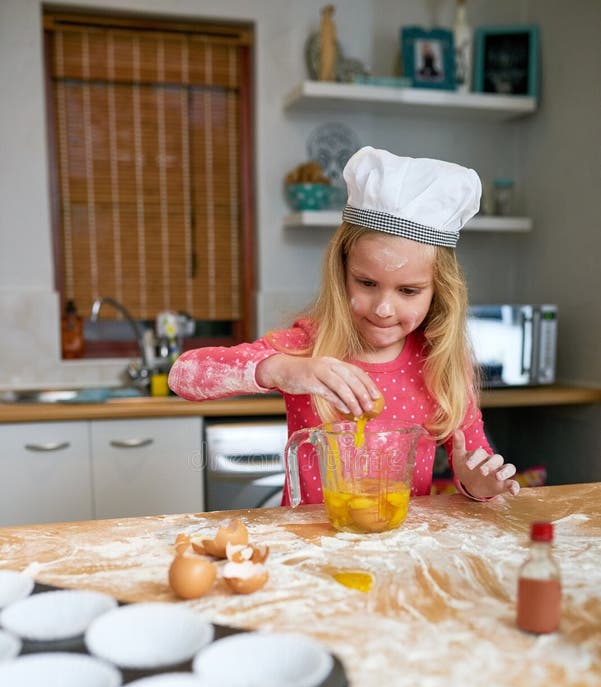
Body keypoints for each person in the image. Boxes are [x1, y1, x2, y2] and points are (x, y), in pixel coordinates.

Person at [169, 147, 520, 505]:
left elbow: (474, 468)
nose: (384, 308)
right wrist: (279, 368)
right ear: (341, 275)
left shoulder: (440, 365)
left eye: (408, 291)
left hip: (399, 547)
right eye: (366, 284)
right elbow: (183, 375)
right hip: (310, 546)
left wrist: (478, 482)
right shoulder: (307, 348)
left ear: (438, 292)